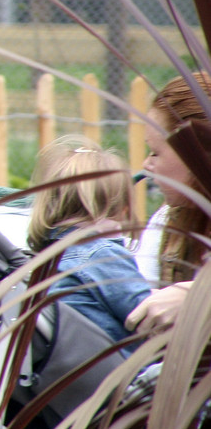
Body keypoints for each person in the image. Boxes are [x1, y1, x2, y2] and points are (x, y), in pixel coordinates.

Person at [27, 135, 151, 348]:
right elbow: (145, 314)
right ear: (123, 208)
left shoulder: (44, 259)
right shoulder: (101, 254)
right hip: (119, 371)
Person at [125, 72, 211, 335]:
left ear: (195, 151)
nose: (146, 165)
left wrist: (195, 299)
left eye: (155, 152)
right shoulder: (167, 221)